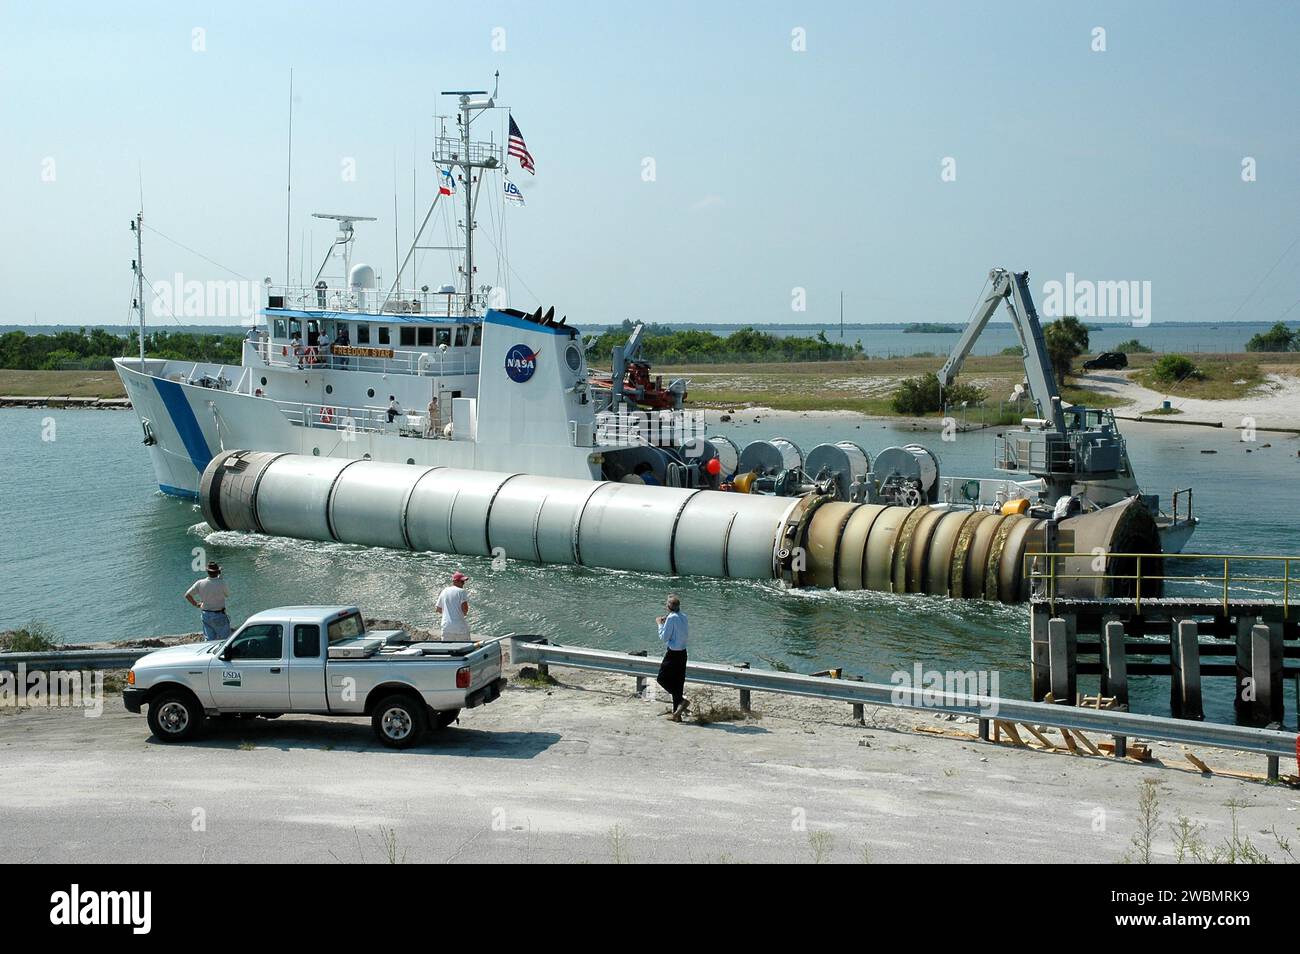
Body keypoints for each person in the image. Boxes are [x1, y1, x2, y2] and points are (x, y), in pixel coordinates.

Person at [655, 593, 689, 721]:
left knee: (662, 678)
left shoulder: (671, 618)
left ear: (669, 607)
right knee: (678, 683)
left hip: (673, 654)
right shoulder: (683, 616)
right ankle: (677, 715)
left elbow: (664, 638)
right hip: (683, 653)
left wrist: (659, 624)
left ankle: (682, 701)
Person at [185, 562, 232, 642]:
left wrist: (196, 604)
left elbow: (187, 595)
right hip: (219, 615)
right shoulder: (221, 583)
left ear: (207, 572)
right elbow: (227, 594)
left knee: (209, 640)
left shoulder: (200, 583)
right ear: (217, 572)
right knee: (225, 640)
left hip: (206, 615)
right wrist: (220, 577)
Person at [434, 571, 471, 640]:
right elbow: (465, 610)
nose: (463, 584)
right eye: (462, 581)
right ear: (455, 581)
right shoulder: (461, 591)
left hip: (446, 627)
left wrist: (449, 612)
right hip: (459, 627)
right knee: (465, 648)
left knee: (447, 648)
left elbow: (438, 609)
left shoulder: (444, 591)